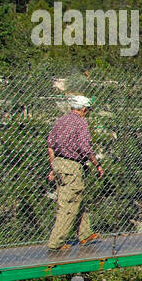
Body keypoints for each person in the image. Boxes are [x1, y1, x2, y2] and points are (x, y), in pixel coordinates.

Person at [46, 95, 104, 255]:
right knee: (69, 204)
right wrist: (96, 164)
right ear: (84, 109)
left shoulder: (59, 121)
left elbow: (50, 144)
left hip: (58, 163)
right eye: (88, 110)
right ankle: (56, 243)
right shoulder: (81, 122)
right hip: (72, 165)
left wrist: (53, 166)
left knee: (75, 198)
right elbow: (84, 147)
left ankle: (85, 233)